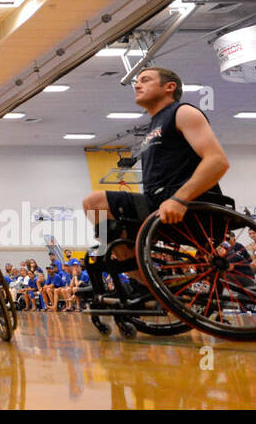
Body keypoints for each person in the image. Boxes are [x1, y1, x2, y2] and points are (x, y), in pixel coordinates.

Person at [81, 66, 231, 290]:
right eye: (137, 82)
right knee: (104, 223)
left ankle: (150, 284)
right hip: (155, 203)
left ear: (169, 87)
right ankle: (147, 282)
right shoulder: (153, 125)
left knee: (96, 202)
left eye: (145, 80)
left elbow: (218, 162)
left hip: (188, 205)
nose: (137, 85)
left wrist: (180, 199)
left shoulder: (183, 112)